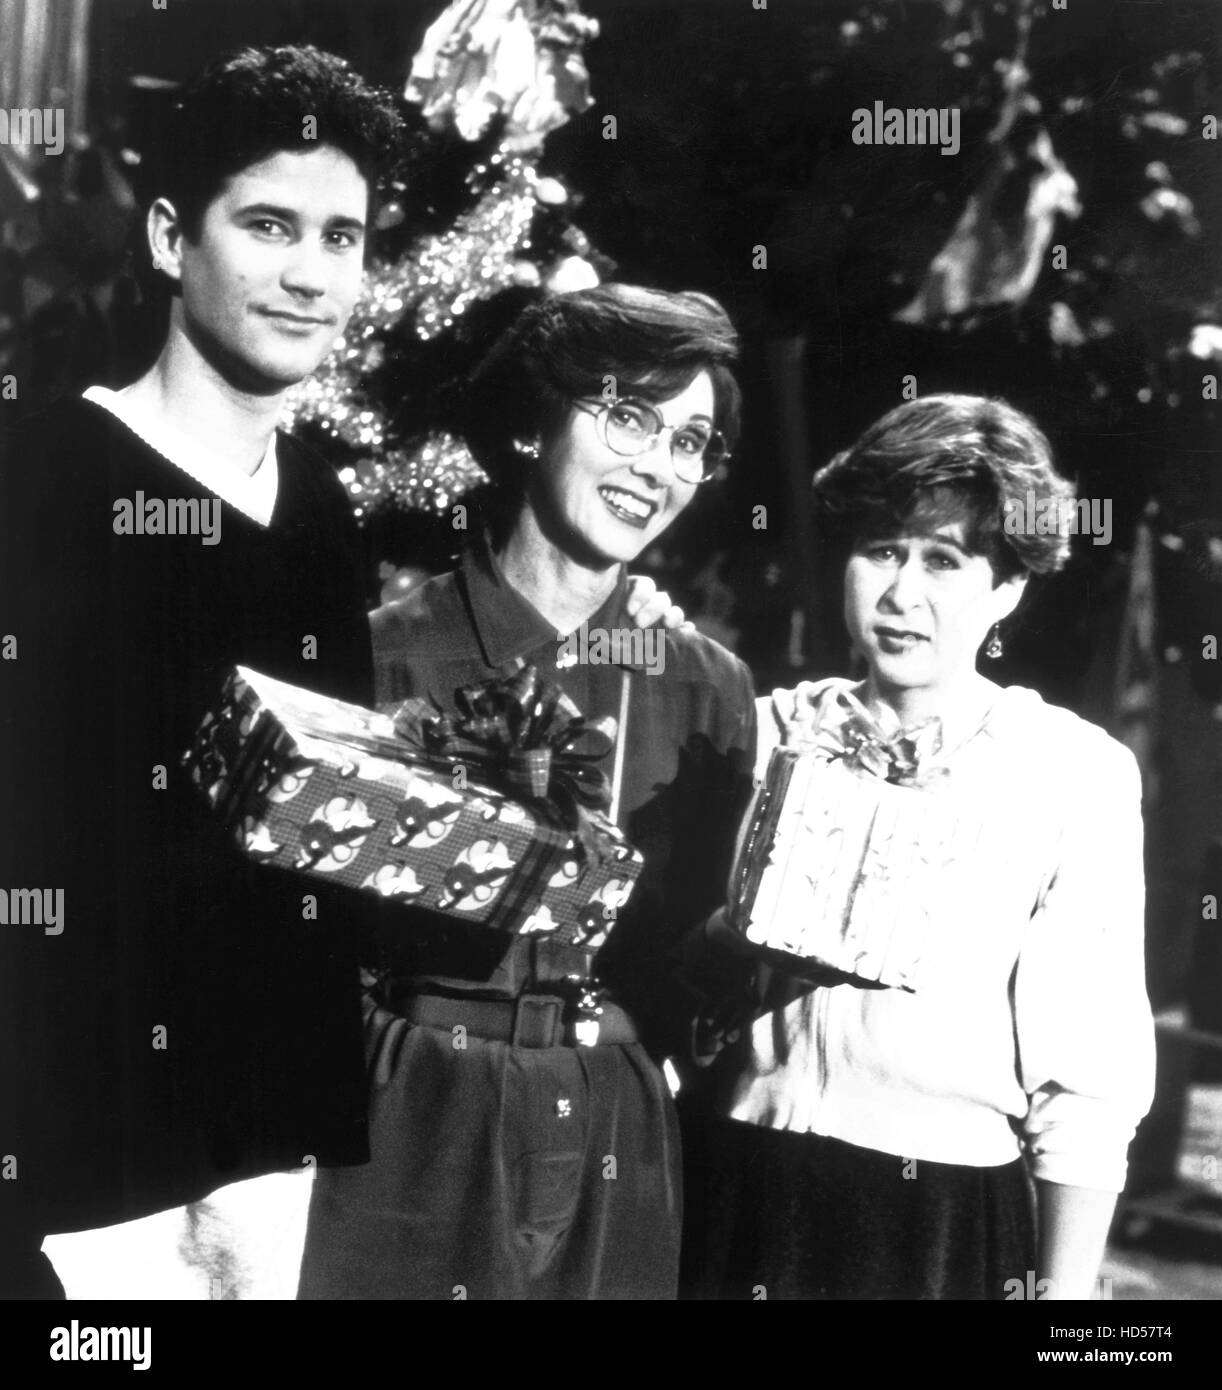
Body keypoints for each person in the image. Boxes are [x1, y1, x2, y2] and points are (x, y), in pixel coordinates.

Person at [297, 284, 757, 1300]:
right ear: (528, 423)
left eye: (691, 441)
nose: (658, 466)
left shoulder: (709, 690)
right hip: (411, 1114)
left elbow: (698, 966)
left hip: (616, 1122)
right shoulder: (374, 656)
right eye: (628, 416)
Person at [679, 394, 1156, 1301]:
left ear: (1009, 587)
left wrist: (1068, 1311)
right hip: (733, 1184)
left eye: (944, 560)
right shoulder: (764, 729)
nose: (902, 594)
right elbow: (668, 991)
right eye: (881, 551)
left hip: (931, 1223)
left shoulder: (1073, 773)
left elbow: (1091, 1079)